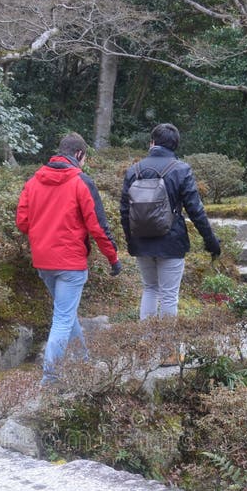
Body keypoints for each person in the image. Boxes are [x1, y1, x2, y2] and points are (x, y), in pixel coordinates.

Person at [16, 132, 122, 385]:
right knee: (63, 318)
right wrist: (113, 259)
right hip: (71, 263)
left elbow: (22, 222)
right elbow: (98, 227)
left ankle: (83, 362)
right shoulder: (81, 182)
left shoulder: (33, 182)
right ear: (78, 154)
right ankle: (50, 380)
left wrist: (44, 231)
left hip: (43, 261)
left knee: (66, 313)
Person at [120, 122, 221, 320]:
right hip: (171, 242)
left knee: (149, 289)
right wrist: (211, 241)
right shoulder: (181, 170)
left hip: (141, 241)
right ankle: (167, 350)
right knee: (168, 295)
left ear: (152, 143)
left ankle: (146, 346)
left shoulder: (134, 170)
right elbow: (196, 211)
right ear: (175, 145)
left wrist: (130, 242)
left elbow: (125, 211)